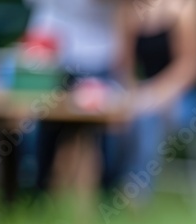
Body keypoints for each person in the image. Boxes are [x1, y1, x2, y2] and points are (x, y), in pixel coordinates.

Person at [22, 0, 122, 197]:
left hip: (97, 55)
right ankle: (39, 191)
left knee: (96, 132)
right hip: (48, 52)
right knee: (43, 128)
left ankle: (104, 193)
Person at [115, 0, 196, 203]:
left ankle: (137, 192)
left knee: (148, 116)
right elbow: (125, 66)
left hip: (183, 95)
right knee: (116, 114)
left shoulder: (188, 7)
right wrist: (132, 94)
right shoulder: (129, 9)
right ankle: (110, 185)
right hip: (144, 91)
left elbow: (191, 66)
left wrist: (155, 95)